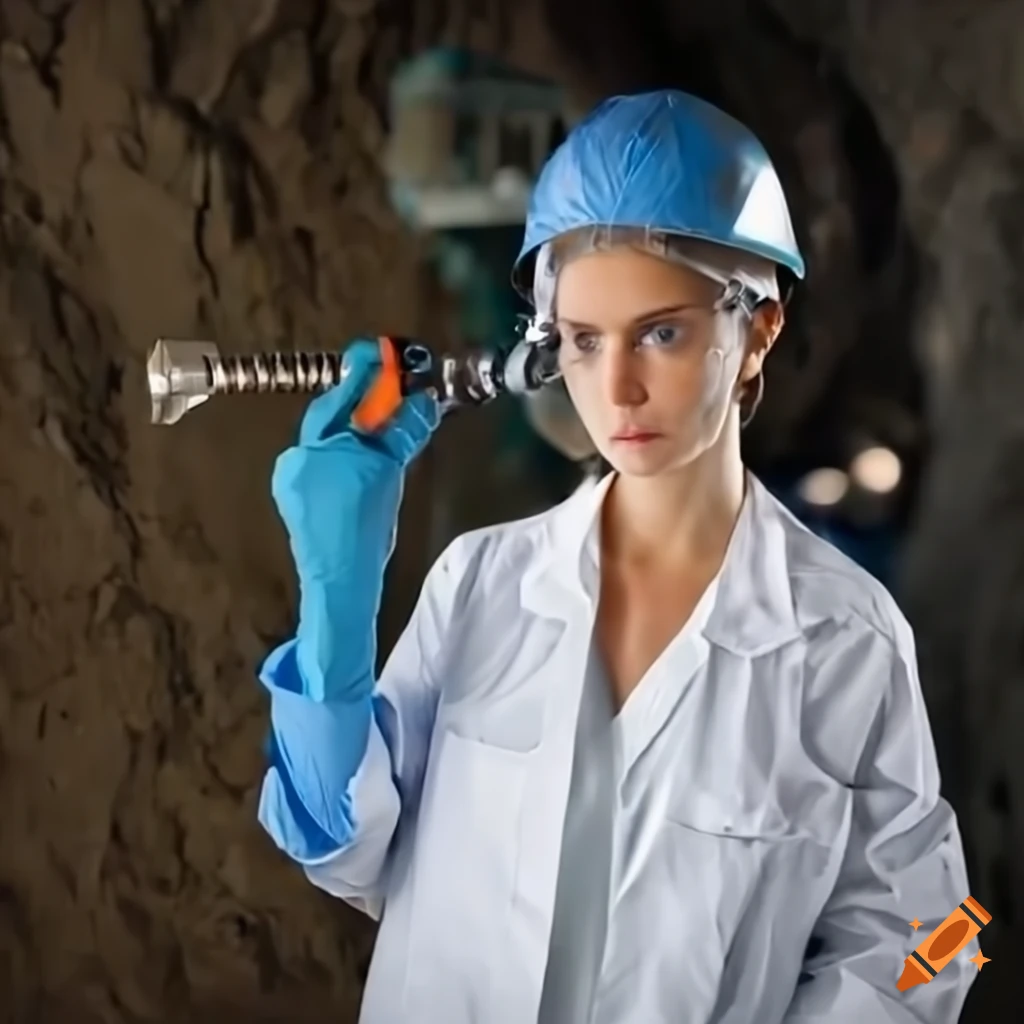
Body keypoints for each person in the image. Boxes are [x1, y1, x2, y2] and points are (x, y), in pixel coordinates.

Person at [258, 90, 977, 1024]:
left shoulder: (846, 639)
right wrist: (334, 604)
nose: (619, 387)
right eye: (585, 341)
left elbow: (938, 935)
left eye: (663, 333)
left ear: (759, 328)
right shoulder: (481, 584)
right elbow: (343, 851)